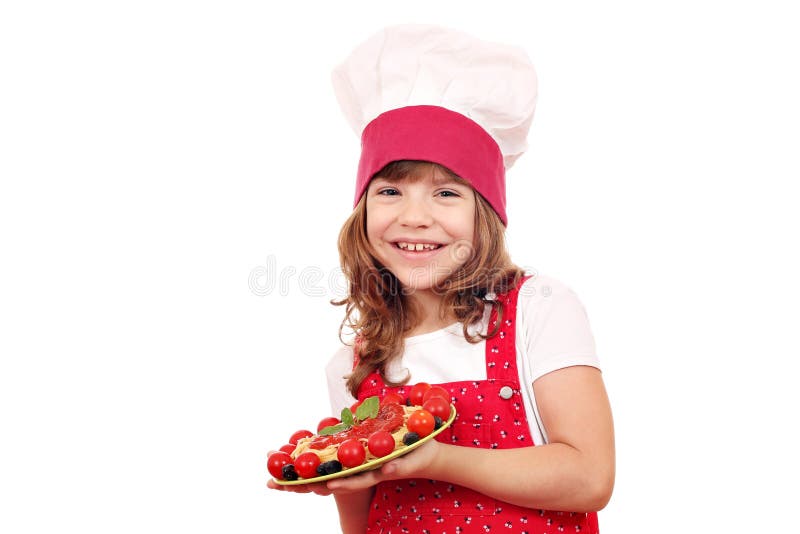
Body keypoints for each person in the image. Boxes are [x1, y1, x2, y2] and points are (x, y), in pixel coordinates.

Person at [268, 24, 615, 533]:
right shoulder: (353, 365)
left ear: (487, 213)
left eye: (446, 193)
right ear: (362, 210)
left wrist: (439, 460)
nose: (414, 216)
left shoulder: (538, 309)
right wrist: (336, 471)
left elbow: (590, 476)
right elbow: (363, 525)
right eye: (390, 191)